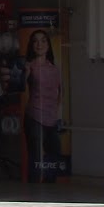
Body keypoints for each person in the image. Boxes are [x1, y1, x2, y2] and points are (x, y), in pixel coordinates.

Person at [23, 29, 64, 184]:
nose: (39, 44)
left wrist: (57, 113)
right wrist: (25, 74)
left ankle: (50, 186)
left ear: (48, 44)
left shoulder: (54, 69)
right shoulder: (30, 67)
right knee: (35, 155)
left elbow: (61, 92)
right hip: (35, 116)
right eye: (35, 41)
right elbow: (21, 87)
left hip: (52, 118)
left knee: (54, 153)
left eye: (43, 40)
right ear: (32, 45)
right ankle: (33, 188)